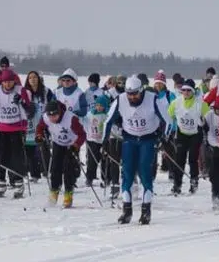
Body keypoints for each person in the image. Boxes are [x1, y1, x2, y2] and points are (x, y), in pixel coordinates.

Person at [103, 76, 171, 225]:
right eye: (129, 94)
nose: (132, 97)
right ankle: (127, 211)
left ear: (141, 90)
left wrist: (163, 137)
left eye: (135, 93)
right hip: (130, 139)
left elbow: (168, 121)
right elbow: (107, 121)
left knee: (144, 171)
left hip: (148, 139)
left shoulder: (153, 99)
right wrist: (104, 141)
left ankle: (146, 211)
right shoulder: (120, 100)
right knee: (127, 172)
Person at [0, 68, 33, 198]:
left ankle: (18, 184)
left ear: (14, 82)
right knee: (1, 157)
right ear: (1, 83)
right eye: (5, 82)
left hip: (18, 128)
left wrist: (21, 102)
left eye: (10, 82)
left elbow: (30, 111)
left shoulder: (21, 90)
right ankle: (1, 184)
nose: (8, 85)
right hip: (2, 128)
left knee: (17, 157)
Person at [36, 101, 87, 208]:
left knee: (69, 169)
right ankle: (54, 191)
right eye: (50, 116)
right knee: (55, 168)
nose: (52, 118)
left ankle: (68, 193)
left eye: (55, 115)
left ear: (59, 112)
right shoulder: (46, 117)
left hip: (71, 145)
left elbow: (82, 134)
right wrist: (39, 136)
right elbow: (40, 127)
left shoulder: (71, 119)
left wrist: (76, 145)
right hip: (57, 143)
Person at [167, 79, 209, 194]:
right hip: (181, 134)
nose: (186, 92)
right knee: (179, 159)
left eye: (188, 90)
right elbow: (169, 116)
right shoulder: (176, 102)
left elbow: (208, 117)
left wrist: (204, 124)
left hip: (195, 134)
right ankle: (177, 184)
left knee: (192, 159)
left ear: (193, 91)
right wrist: (167, 130)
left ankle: (194, 183)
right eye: (184, 90)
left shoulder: (200, 103)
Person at [23, 71, 55, 181]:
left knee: (44, 148)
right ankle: (34, 174)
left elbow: (53, 103)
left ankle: (46, 171)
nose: (33, 79)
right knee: (30, 150)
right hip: (29, 124)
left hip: (43, 123)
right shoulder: (24, 92)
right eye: (30, 77)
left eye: (35, 77)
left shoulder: (46, 91)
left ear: (38, 79)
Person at [203, 95, 219, 209]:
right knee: (215, 174)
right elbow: (208, 133)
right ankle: (217, 197)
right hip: (216, 147)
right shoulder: (210, 115)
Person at [85, 96, 109, 187]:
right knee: (92, 160)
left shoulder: (106, 115)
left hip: (103, 141)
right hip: (92, 140)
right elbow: (85, 123)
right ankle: (89, 178)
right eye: (97, 105)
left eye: (101, 106)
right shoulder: (90, 114)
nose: (98, 107)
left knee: (104, 159)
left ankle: (106, 177)